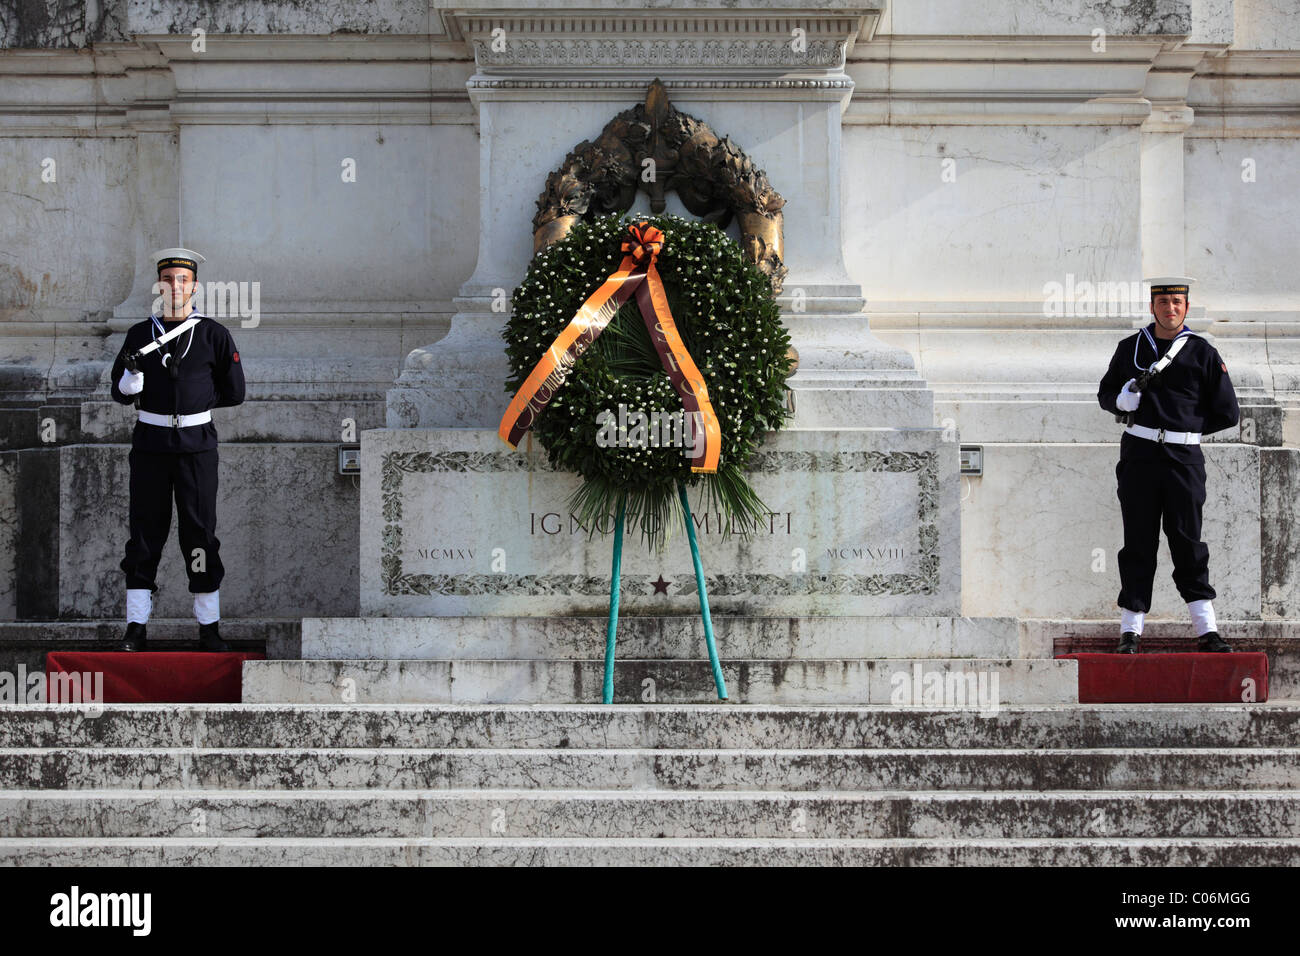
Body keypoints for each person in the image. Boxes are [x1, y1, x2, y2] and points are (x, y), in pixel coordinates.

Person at [109, 248, 245, 651]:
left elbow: (235, 391)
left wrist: (196, 403)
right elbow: (118, 392)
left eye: (182, 280)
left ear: (195, 286)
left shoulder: (213, 334)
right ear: (158, 285)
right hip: (150, 446)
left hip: (197, 448)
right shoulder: (138, 334)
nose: (174, 286)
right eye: (167, 279)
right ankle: (136, 628)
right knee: (145, 534)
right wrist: (133, 377)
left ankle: (208, 628)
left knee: (199, 533)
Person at [1097, 277, 1239, 654]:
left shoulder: (1202, 353)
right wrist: (1120, 401)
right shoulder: (1130, 348)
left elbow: (1227, 412)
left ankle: (1206, 629)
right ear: (1152, 306)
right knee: (1138, 543)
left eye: (1177, 302)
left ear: (1186, 308)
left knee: (1187, 542)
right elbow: (1105, 393)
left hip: (1183, 460)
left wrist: (1185, 428)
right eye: (1163, 302)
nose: (1170, 308)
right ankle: (1130, 631)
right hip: (1140, 456)